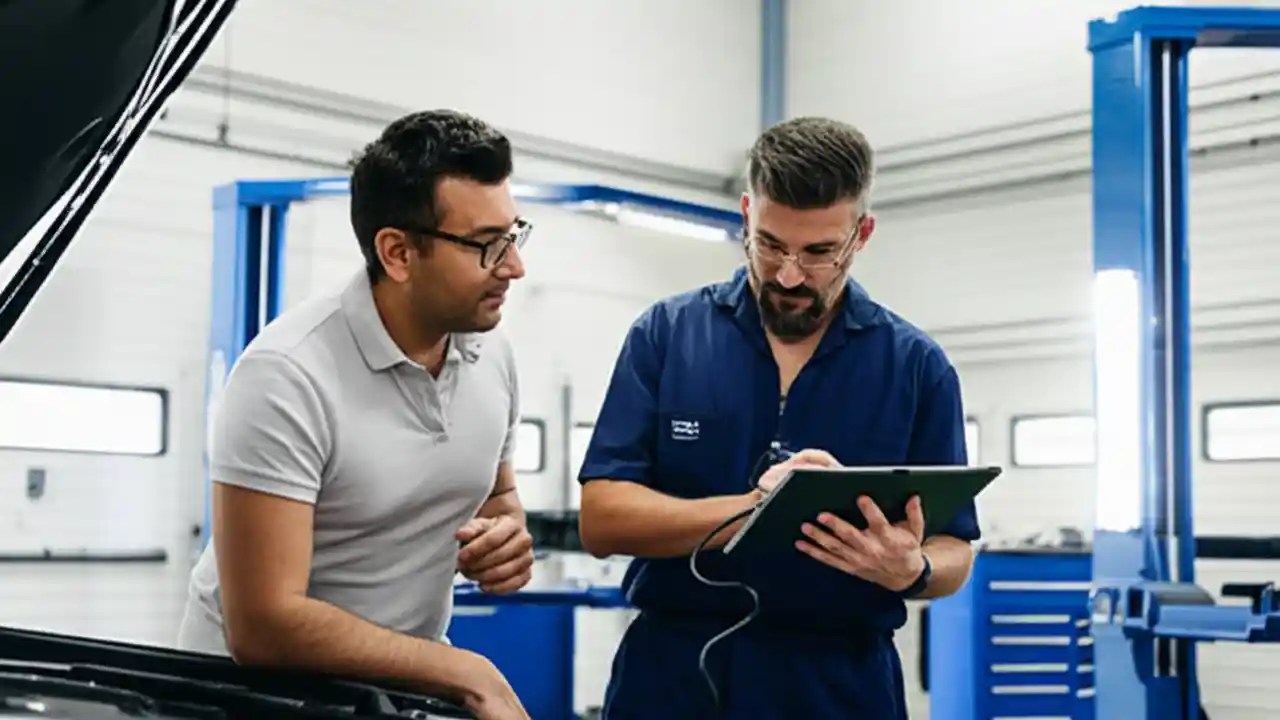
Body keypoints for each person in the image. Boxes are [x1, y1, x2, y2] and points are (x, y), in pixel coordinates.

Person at [576, 116, 981, 719]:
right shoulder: (666, 336)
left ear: (861, 233)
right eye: (769, 244)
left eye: (819, 252)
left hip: (840, 684)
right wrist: (759, 509)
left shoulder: (916, 367)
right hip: (672, 676)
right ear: (746, 213)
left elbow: (956, 549)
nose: (789, 275)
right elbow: (603, 520)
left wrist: (912, 567)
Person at [176, 109, 536, 720]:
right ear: (397, 252)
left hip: (394, 689)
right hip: (256, 697)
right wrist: (463, 671)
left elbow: (497, 496)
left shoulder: (492, 356)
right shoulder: (287, 375)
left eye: (515, 234)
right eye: (485, 246)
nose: (514, 266)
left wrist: (504, 537)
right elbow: (264, 625)